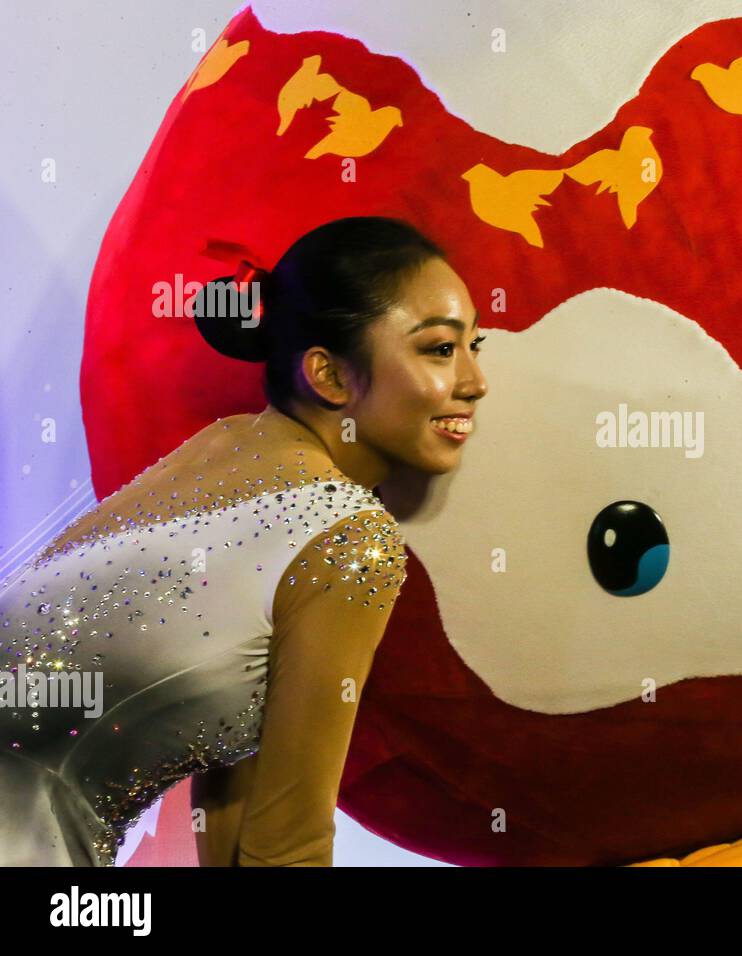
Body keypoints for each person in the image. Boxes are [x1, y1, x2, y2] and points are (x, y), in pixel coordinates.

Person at [0, 216, 487, 866]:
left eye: (476, 346)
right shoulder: (351, 539)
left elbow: (236, 788)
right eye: (438, 349)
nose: (476, 381)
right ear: (330, 376)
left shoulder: (232, 444)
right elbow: (290, 847)